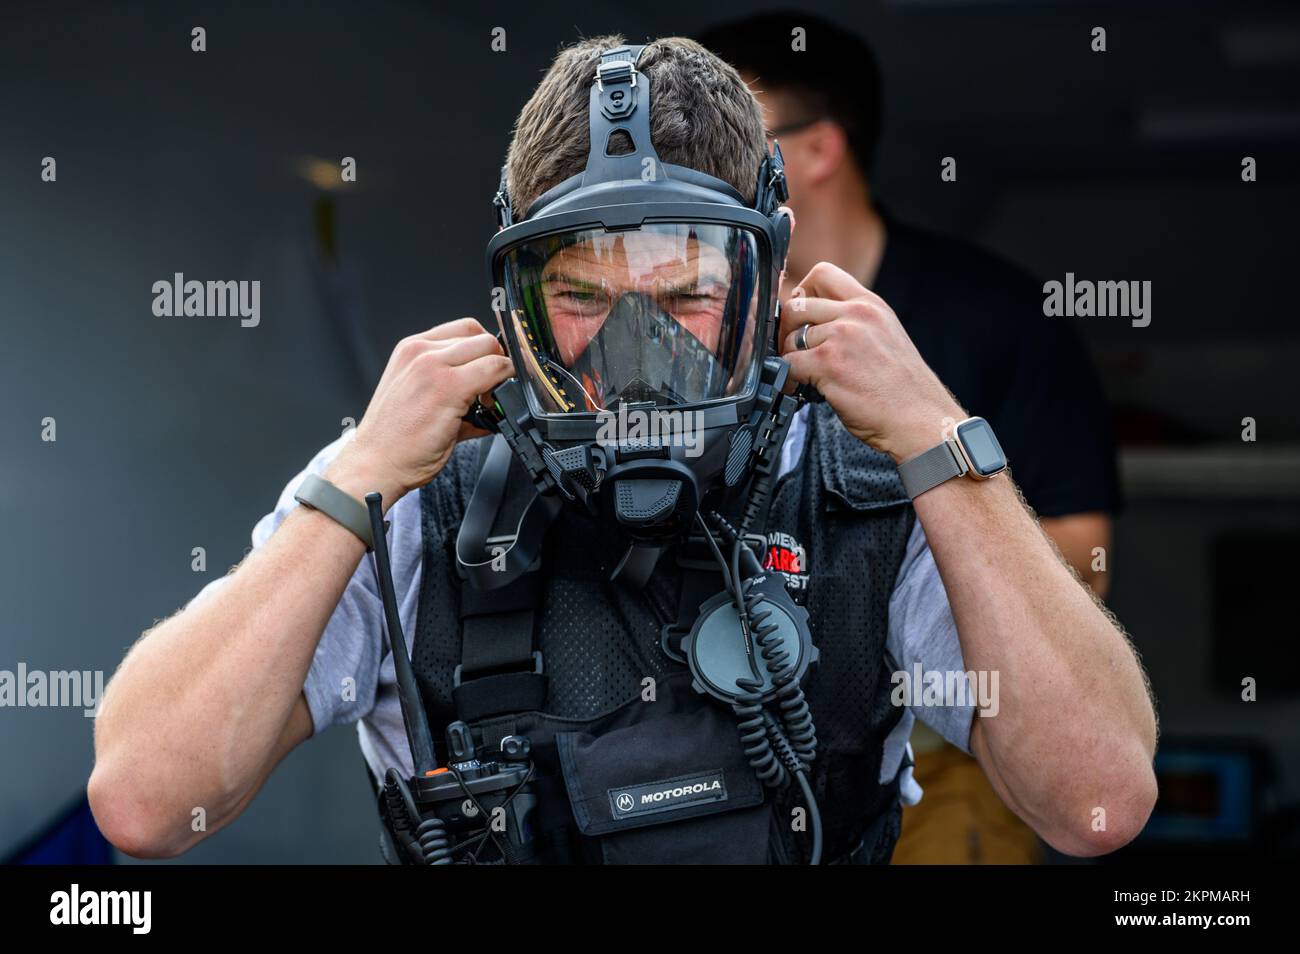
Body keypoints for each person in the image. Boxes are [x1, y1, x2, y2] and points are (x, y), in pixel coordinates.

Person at [87, 35, 1156, 865]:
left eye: (685, 295)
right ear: (516, 302)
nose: (635, 352)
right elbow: (146, 802)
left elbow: (1097, 801)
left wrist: (937, 439)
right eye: (583, 297)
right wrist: (356, 477)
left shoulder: (877, 490)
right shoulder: (409, 498)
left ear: (765, 285)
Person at [698, 12, 1124, 863]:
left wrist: (933, 448)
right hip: (722, 746)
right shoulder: (692, 315)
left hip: (949, 762)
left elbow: (1082, 554)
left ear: (814, 150)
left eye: (722, 136)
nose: (683, 165)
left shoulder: (998, 315)